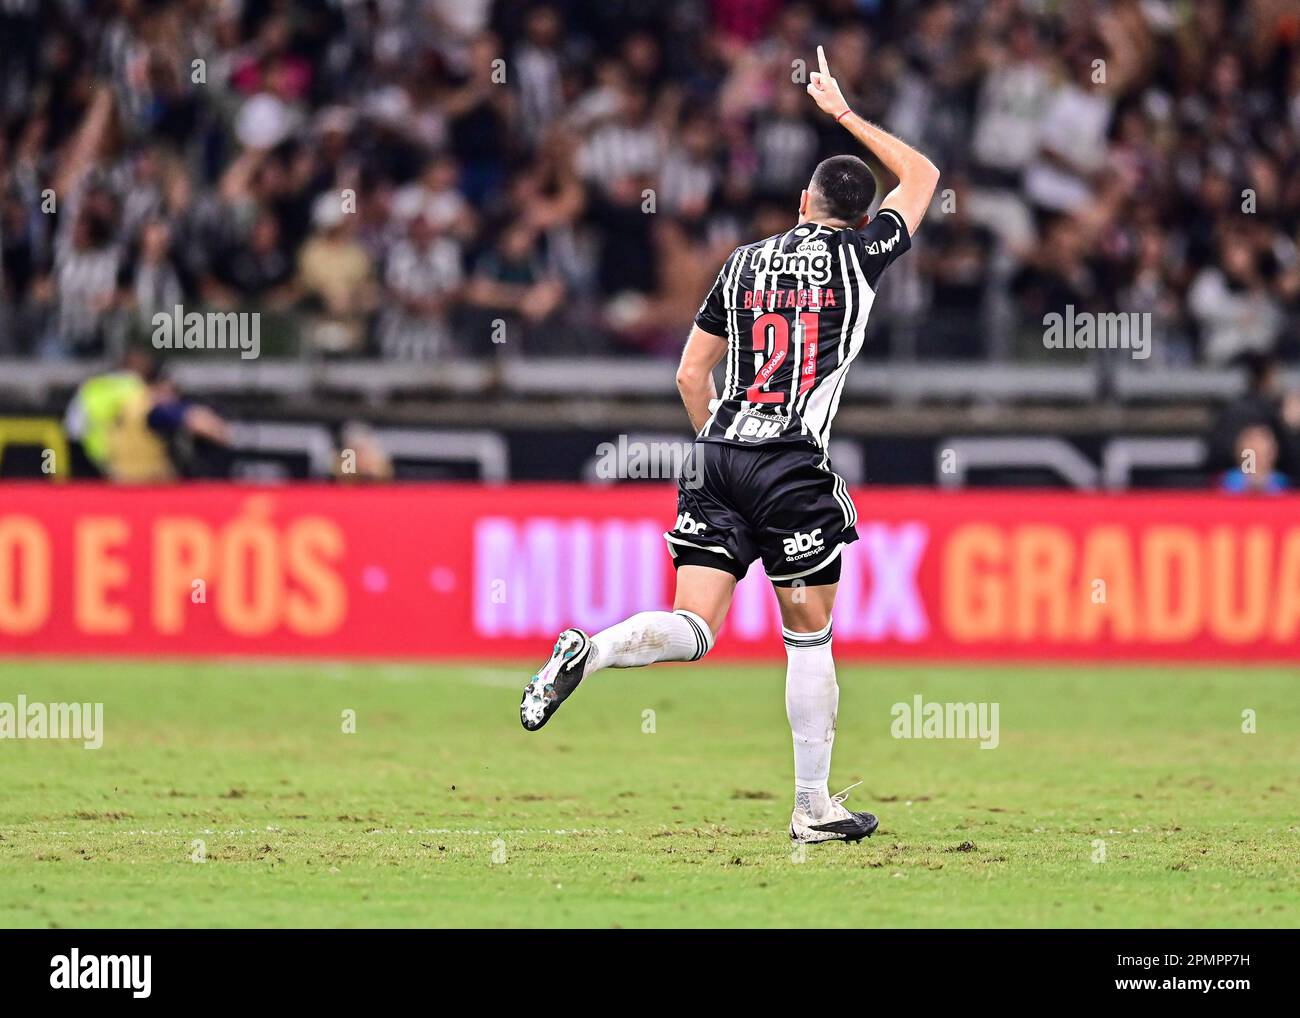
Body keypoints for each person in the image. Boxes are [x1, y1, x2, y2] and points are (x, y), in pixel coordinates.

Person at [517, 48, 939, 845]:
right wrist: (843, 112)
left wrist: (718, 451)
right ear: (858, 216)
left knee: (695, 626)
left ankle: (593, 650)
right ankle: (812, 807)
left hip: (717, 454)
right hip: (788, 461)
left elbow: (688, 374)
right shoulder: (861, 256)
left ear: (802, 199)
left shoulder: (742, 263)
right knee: (807, 633)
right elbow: (921, 175)